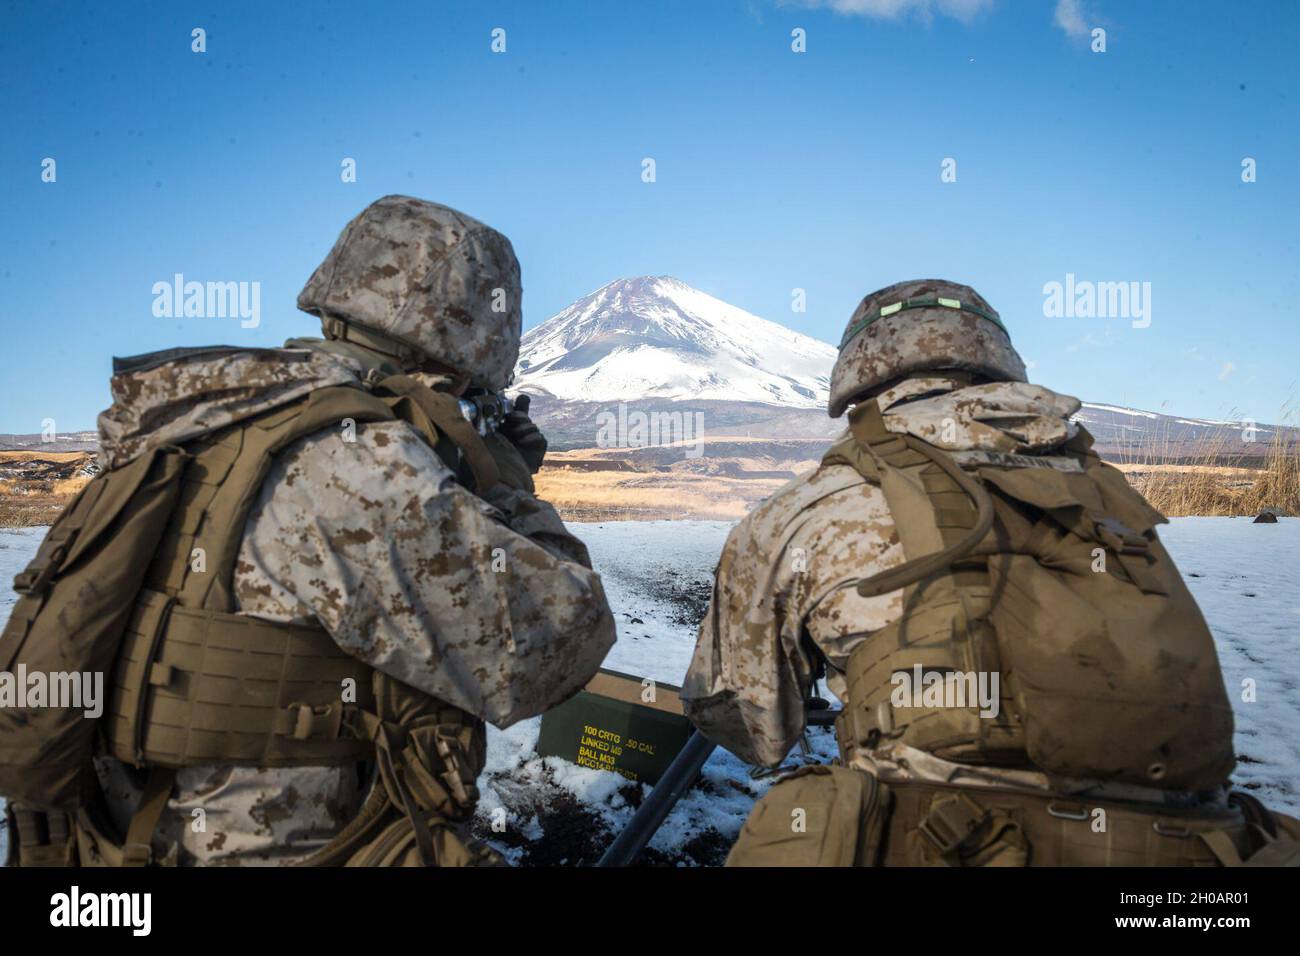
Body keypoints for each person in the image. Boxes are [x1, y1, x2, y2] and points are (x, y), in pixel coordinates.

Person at [1, 195, 616, 866]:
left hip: (121, 840)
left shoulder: (203, 420)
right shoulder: (354, 458)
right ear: (456, 358)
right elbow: (550, 648)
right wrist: (509, 491)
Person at [682, 278, 1299, 867]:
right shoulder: (1105, 496)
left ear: (856, 378)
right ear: (997, 360)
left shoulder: (804, 509)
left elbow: (748, 723)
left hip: (945, 840)